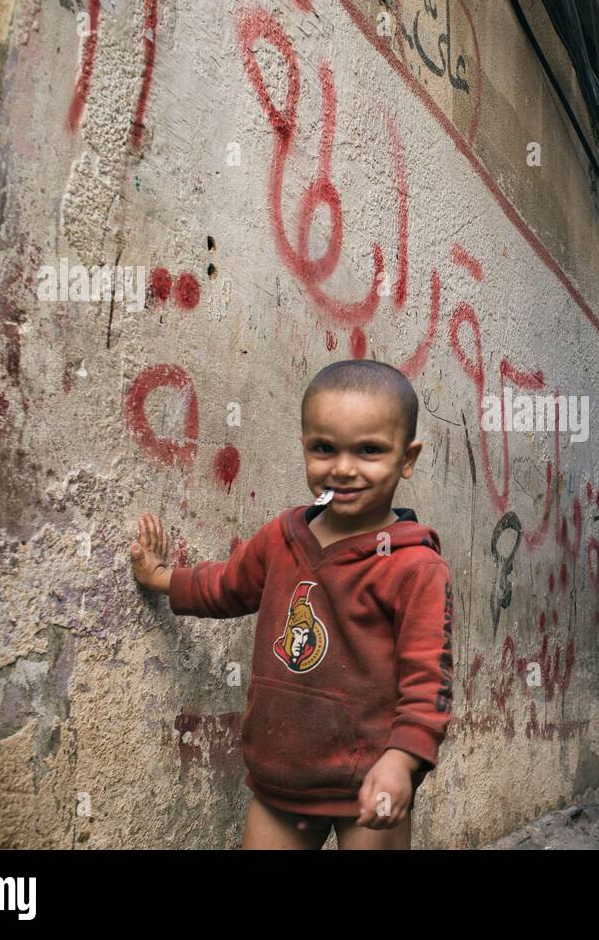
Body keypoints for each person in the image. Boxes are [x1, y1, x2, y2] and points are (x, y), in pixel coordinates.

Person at [129, 359, 454, 849]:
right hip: (280, 781)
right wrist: (161, 578)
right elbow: (226, 587)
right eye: (325, 448)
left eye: (369, 451)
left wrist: (401, 762)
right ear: (305, 446)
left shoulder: (414, 566)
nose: (343, 468)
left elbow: (429, 681)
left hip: (369, 784)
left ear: (407, 459)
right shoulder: (283, 538)